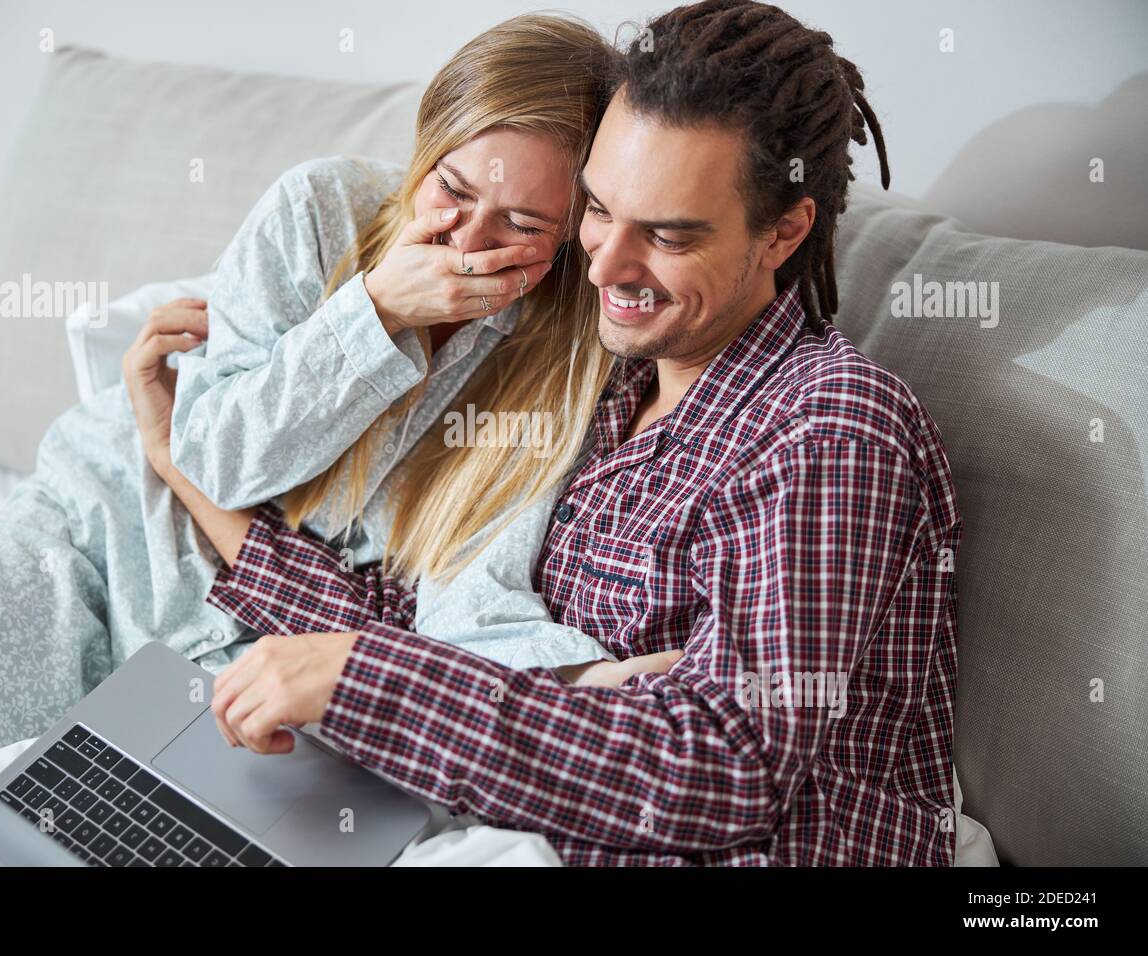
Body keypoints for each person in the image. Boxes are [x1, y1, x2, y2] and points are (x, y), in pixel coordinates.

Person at [0, 14, 678, 818]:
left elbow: (465, 608)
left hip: (249, 649)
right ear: (425, 150)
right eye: (452, 191)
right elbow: (217, 458)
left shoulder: (561, 369)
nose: (468, 241)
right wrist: (375, 312)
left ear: (574, 233)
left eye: (524, 226)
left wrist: (589, 684)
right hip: (103, 537)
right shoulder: (321, 212)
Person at [205, 0, 963, 867]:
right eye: (597, 210)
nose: (602, 266)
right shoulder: (600, 389)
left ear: (784, 231)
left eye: (668, 235)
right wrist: (193, 488)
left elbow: (727, 768)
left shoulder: (830, 431)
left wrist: (363, 683)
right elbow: (441, 625)